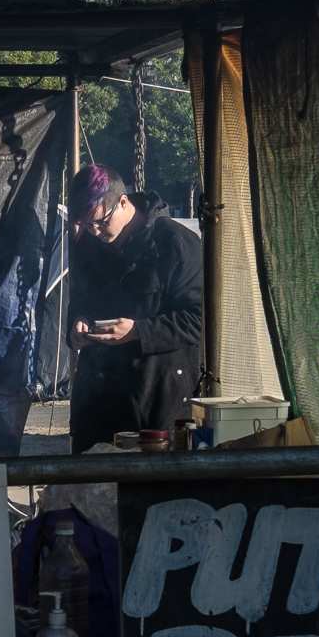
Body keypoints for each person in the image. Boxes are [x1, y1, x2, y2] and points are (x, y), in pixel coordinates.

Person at [65, 164, 204, 453]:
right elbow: (79, 299)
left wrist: (138, 332)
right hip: (97, 402)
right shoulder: (87, 245)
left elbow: (198, 319)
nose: (95, 231)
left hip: (155, 402)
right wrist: (77, 323)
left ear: (124, 202)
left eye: (101, 222)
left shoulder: (176, 243)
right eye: (87, 225)